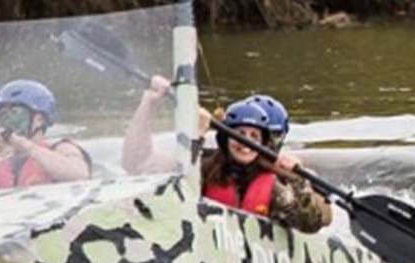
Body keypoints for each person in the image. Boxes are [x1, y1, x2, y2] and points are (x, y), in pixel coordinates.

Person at [121, 81, 332, 233]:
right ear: (226, 136)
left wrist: (298, 180)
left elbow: (316, 221)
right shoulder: (205, 165)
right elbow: (136, 163)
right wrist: (148, 104)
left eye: (255, 136)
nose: (246, 143)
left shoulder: (282, 180)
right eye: (239, 134)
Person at [0, 79, 91, 189]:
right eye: (3, 114)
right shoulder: (4, 160)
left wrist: (25, 146)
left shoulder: (61, 148)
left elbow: (80, 174)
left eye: (15, 112)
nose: (8, 120)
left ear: (39, 120)